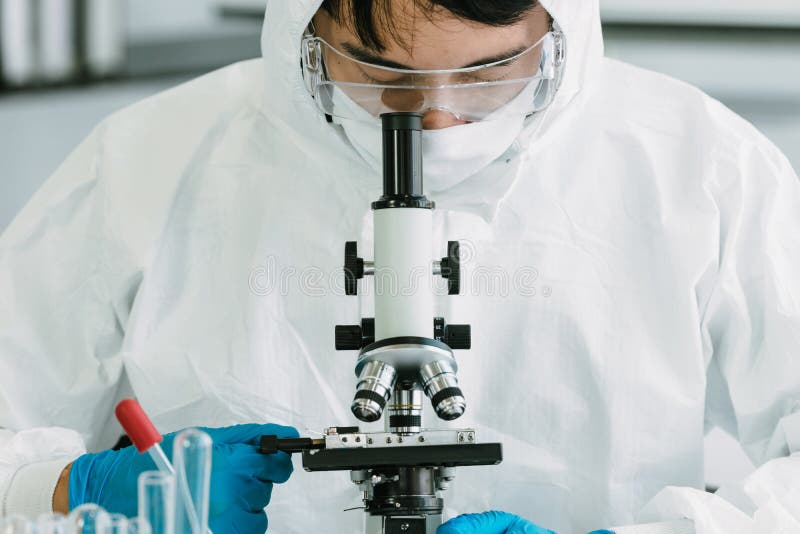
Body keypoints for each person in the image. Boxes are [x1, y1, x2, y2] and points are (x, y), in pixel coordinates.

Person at [1, 0, 799, 532]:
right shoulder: (149, 159)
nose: (438, 116)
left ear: (557, 36)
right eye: (387, 76)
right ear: (305, 38)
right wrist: (85, 488)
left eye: (492, 73)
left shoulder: (700, 164)